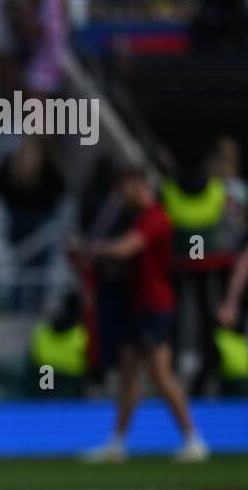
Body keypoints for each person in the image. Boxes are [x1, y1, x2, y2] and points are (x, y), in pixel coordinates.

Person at [80, 166, 209, 463]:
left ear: (138, 185)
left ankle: (193, 439)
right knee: (128, 375)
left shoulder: (155, 218)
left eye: (123, 189)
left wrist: (92, 249)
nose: (120, 196)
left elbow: (126, 249)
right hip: (136, 304)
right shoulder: (138, 218)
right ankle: (117, 443)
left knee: (161, 374)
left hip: (155, 305)